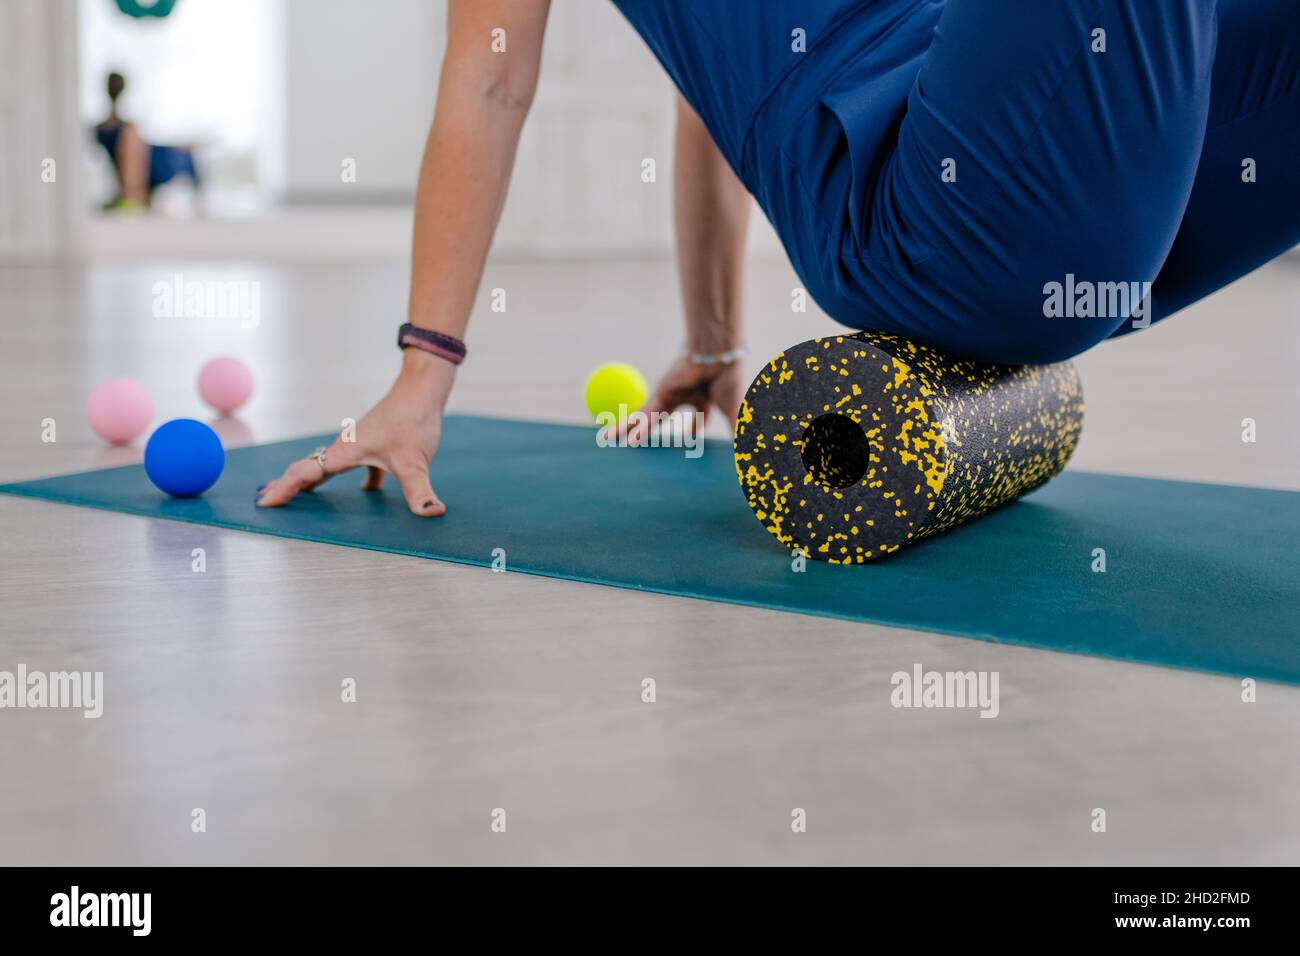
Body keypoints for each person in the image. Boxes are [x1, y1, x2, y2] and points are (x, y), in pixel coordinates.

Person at [257, 0, 1299, 516]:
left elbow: (707, 98)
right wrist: (419, 374)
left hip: (1092, 189)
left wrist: (713, 340)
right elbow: (488, 87)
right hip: (932, 219)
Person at [95, 71, 200, 209]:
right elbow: (132, 166)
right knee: (183, 155)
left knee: (184, 155)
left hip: (153, 159)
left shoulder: (107, 128)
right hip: (149, 164)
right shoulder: (124, 128)